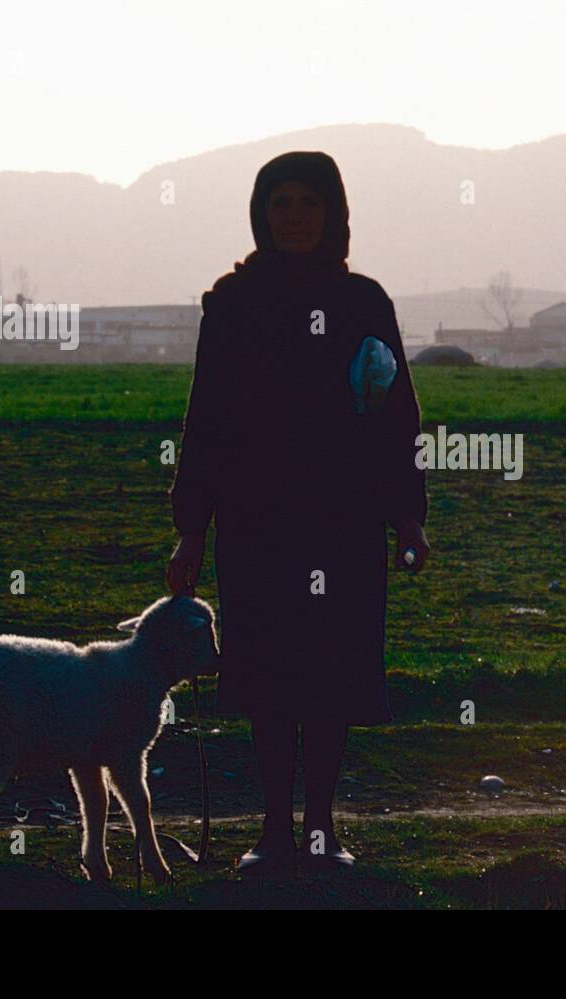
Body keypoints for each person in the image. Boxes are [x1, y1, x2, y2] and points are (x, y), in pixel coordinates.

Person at [165, 150, 429, 873]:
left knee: (332, 670)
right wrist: (192, 528)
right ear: (261, 213)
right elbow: (207, 420)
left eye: (308, 202)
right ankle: (272, 832)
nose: (295, 216)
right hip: (258, 521)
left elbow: (396, 412)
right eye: (280, 202)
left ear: (333, 212)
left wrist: (408, 515)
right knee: (269, 670)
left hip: (343, 518)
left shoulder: (365, 302)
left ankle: (322, 828)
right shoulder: (231, 304)